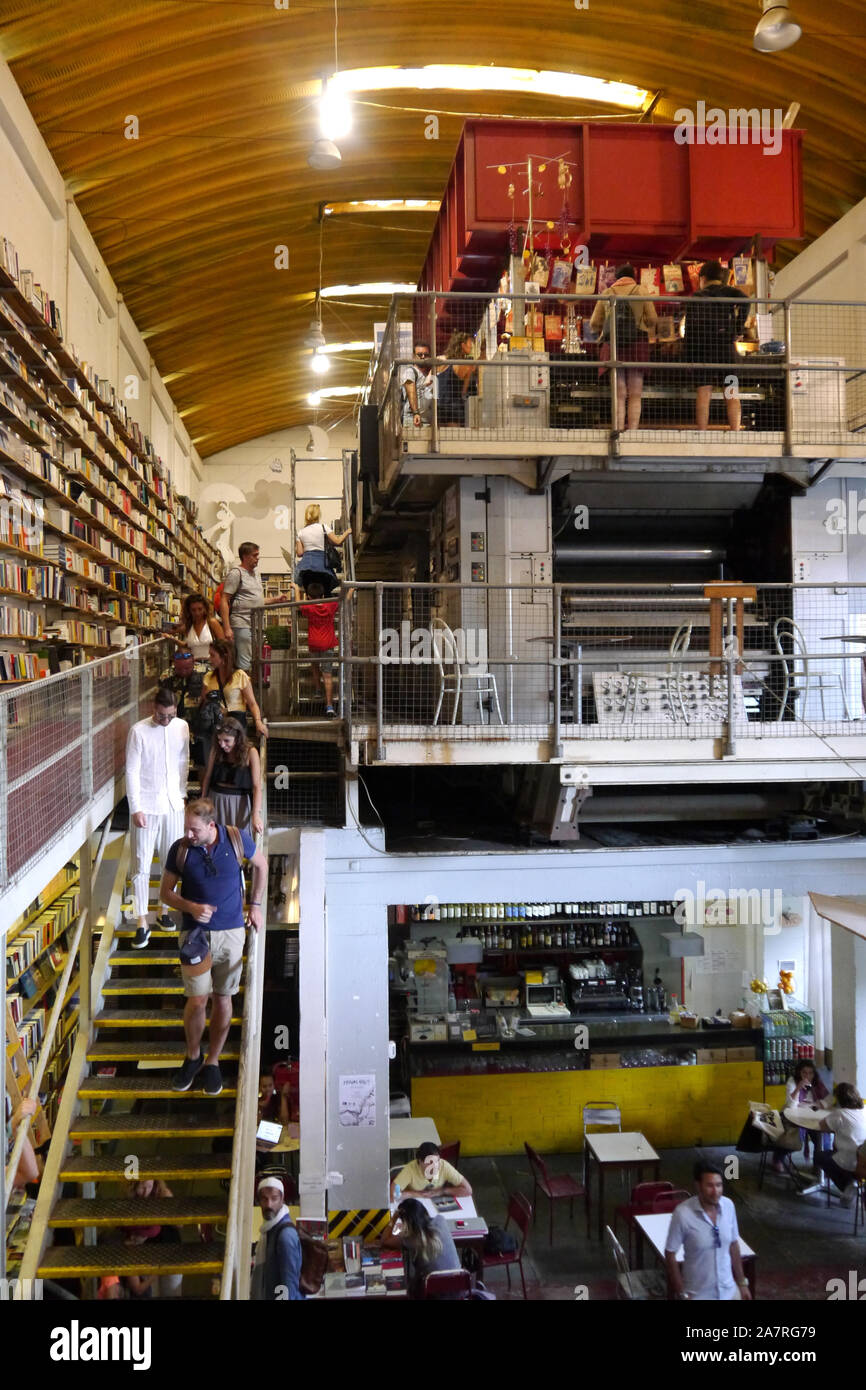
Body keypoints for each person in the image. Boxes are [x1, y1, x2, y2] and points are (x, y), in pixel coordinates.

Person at [161, 798, 268, 1096]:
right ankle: (193, 1056)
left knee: (223, 999)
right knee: (197, 1000)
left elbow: (261, 865)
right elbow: (166, 893)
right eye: (185, 828)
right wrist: (191, 907)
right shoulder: (180, 849)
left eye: (194, 829)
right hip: (195, 935)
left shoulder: (236, 839)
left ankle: (213, 1062)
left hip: (232, 933)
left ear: (211, 826)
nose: (188, 834)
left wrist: (255, 905)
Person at [125, 688, 189, 949]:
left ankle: (164, 911)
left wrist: (183, 794)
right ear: (154, 707)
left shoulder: (181, 726)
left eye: (170, 715)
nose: (166, 720)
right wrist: (135, 807)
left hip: (174, 804)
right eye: (162, 715)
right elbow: (131, 770)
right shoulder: (138, 731)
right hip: (146, 806)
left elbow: (183, 761)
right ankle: (142, 920)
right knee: (141, 864)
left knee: (171, 863)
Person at [664, 1160, 752, 1301]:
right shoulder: (682, 1214)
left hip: (728, 1291)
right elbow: (670, 1254)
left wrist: (742, 1283)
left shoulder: (729, 1206)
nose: (715, 1191)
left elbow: (733, 1244)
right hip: (698, 1295)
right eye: (709, 1186)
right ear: (698, 1186)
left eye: (719, 1185)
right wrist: (682, 1294)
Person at [589, 263, 658, 432]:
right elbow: (653, 319)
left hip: (613, 344)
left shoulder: (608, 292)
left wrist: (605, 327)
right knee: (635, 392)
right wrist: (642, 323)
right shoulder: (641, 291)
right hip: (637, 344)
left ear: (617, 278)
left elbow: (594, 323)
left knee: (619, 393)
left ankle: (618, 429)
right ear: (633, 276)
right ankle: (633, 430)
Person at [682, 259, 750, 430]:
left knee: (704, 392)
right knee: (731, 392)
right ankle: (735, 431)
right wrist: (737, 328)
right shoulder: (729, 292)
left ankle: (702, 433)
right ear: (722, 277)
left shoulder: (697, 297)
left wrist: (688, 355)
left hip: (703, 350)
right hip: (726, 350)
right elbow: (746, 301)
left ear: (702, 278)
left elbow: (689, 330)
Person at [220, 541, 285, 673]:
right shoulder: (236, 573)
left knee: (254, 661)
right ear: (245, 556)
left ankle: (249, 691)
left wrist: (275, 600)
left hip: (256, 625)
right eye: (255, 555)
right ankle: (245, 692)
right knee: (244, 662)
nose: (258, 558)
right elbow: (224, 599)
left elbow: (256, 600)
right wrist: (227, 628)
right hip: (242, 623)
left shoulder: (256, 574)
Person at [800, 1082, 866, 1205]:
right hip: (863, 1160)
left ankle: (847, 1185)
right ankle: (852, 1182)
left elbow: (822, 1126)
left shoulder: (840, 1114)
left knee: (820, 1156)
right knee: (834, 1151)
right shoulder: (864, 1109)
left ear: (840, 1099)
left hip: (849, 1160)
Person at [298, 579, 353, 717]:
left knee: (314, 665)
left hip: (314, 643)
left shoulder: (308, 607)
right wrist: (350, 590)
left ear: (309, 597)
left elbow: (299, 605)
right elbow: (344, 601)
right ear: (323, 596)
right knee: (327, 675)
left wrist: (296, 589)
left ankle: (317, 689)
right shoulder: (330, 605)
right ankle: (329, 706)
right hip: (327, 644)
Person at [122, 1177, 183, 1299]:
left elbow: (180, 1224)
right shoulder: (130, 1201)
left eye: (149, 1187)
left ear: (155, 1182)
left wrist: (164, 1211)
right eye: (142, 1188)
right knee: (150, 1294)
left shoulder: (164, 1194)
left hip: (170, 1249)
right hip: (147, 1254)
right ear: (133, 1186)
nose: (145, 1192)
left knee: (171, 1293)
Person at [201, 716, 263, 834]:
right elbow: (207, 777)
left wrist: (256, 815)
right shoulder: (216, 750)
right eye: (219, 740)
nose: (222, 745)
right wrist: (203, 801)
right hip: (216, 799)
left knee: (239, 842)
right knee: (217, 838)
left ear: (238, 738)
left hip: (239, 803)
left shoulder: (251, 752)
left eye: (226, 741)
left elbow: (256, 786)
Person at [391, 1197, 462, 1299]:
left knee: (411, 1283)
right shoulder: (441, 1221)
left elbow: (384, 1241)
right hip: (459, 1288)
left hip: (435, 1294)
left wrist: (393, 1219)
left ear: (407, 1222)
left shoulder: (410, 1240)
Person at [200, 638, 268, 741]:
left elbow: (252, 704)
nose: (210, 659)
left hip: (236, 726)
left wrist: (258, 722)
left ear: (224, 657)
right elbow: (203, 703)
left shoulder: (240, 676)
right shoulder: (208, 677)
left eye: (213, 655)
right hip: (216, 729)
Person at [772, 1059, 830, 1172]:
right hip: (792, 1115)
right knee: (792, 1137)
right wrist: (798, 1087)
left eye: (810, 1073)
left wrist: (820, 1104)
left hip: (810, 1115)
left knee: (820, 1138)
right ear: (799, 1072)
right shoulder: (792, 1081)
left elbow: (828, 1099)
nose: (807, 1075)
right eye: (804, 1072)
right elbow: (791, 1105)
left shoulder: (818, 1083)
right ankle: (778, 1158)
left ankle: (818, 1166)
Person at [251, 1175, 303, 1300]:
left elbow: (288, 1284)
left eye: (274, 1198)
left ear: (282, 1199)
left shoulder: (285, 1236)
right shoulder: (269, 1231)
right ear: (259, 1202)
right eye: (264, 1199)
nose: (269, 1204)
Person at [389, 1141, 472, 1202]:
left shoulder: (444, 1166)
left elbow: (468, 1190)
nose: (435, 1166)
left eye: (437, 1161)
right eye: (430, 1163)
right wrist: (414, 1194)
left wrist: (442, 1191)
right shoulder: (410, 1169)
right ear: (420, 1161)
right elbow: (392, 1195)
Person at [295, 503, 350, 594]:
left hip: (306, 566)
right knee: (326, 591)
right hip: (322, 565)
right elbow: (337, 541)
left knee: (310, 593)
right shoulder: (323, 527)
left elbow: (300, 553)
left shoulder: (301, 532)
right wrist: (347, 532)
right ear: (318, 515)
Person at [436, 331, 477, 426]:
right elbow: (463, 391)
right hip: (455, 408)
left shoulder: (440, 361)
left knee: (440, 438)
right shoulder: (467, 366)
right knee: (453, 437)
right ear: (463, 345)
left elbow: (432, 381)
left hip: (439, 407)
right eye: (470, 343)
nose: (471, 346)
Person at [176, 592, 224, 661]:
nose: (197, 613)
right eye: (193, 610)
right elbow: (188, 646)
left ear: (205, 608)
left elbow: (223, 645)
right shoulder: (188, 626)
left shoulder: (212, 623)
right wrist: (172, 639)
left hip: (211, 664)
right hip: (192, 665)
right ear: (189, 611)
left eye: (200, 609)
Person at [401, 339, 434, 427]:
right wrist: (415, 413)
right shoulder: (410, 372)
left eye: (426, 355)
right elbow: (411, 392)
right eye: (419, 354)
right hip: (413, 419)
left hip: (426, 420)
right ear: (414, 356)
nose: (423, 357)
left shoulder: (427, 375)